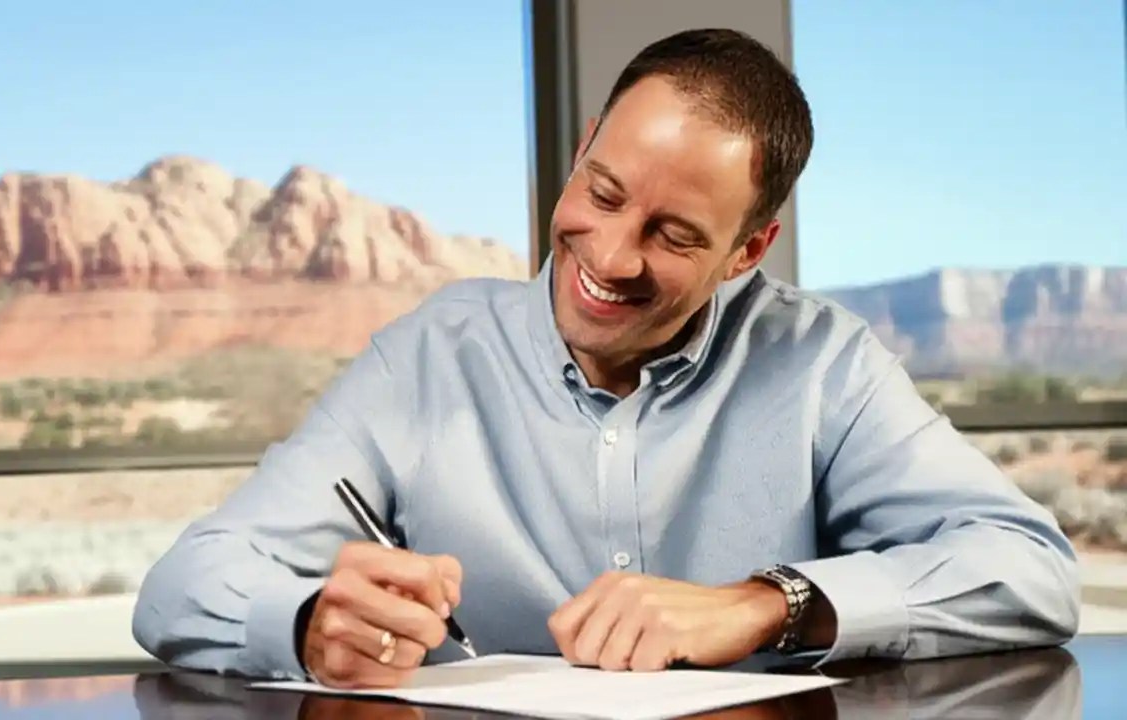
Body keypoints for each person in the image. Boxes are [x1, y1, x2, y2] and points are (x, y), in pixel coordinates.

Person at [132, 28, 1080, 689]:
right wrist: (305, 625)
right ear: (583, 146)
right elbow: (182, 586)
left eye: (672, 234)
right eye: (604, 189)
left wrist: (765, 606)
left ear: (748, 249)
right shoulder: (425, 357)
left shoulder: (824, 363)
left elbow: (1031, 569)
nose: (611, 257)